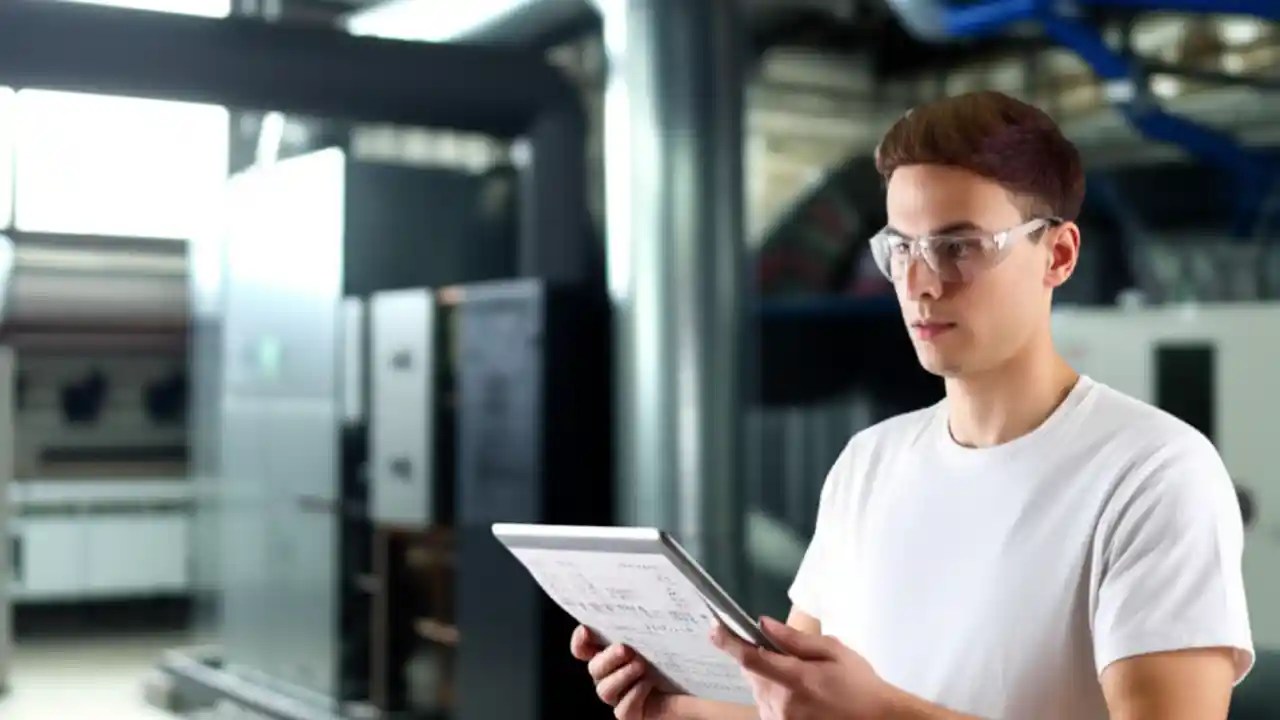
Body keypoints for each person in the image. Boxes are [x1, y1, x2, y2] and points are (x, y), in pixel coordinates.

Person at [569, 90, 1254, 719]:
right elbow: (800, 705)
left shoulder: (1153, 474)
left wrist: (880, 714)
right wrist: (674, 704)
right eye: (901, 249)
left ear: (1059, 255)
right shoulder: (871, 463)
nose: (920, 283)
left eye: (959, 247)